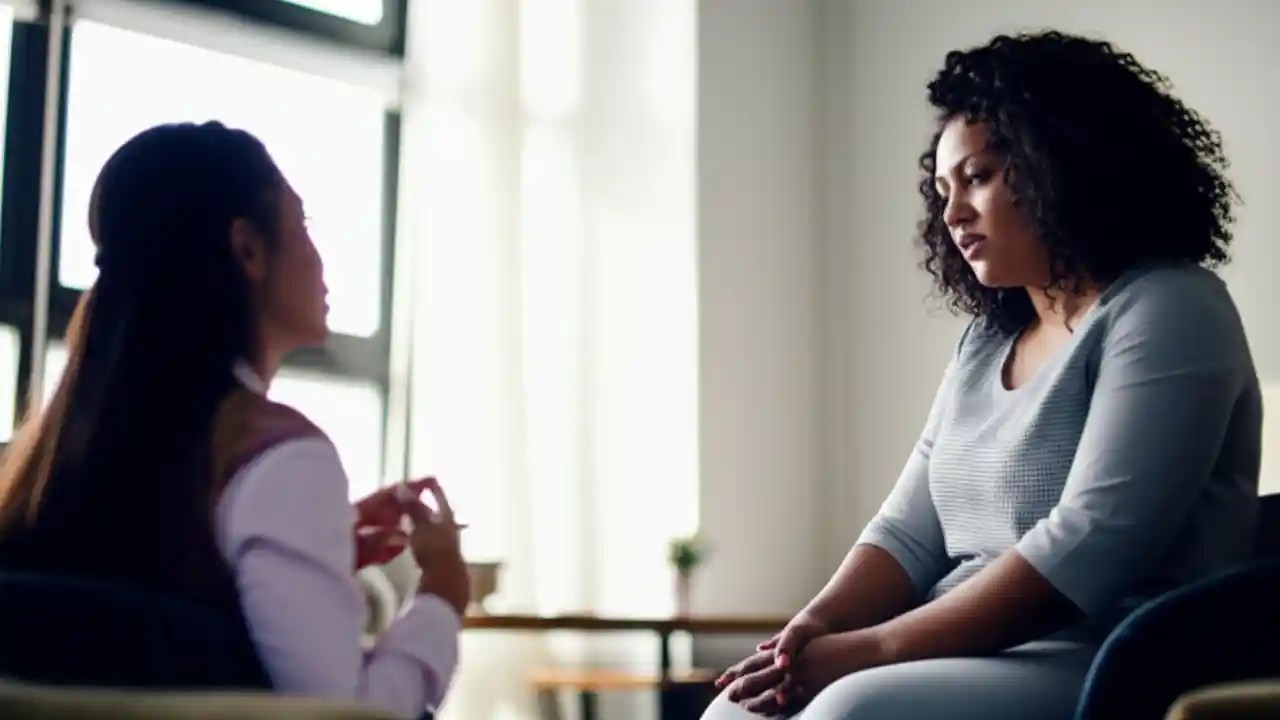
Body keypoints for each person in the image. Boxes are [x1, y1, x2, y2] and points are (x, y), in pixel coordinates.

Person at [704, 30, 1261, 719]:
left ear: (1062, 161)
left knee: (849, 711)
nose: (952, 212)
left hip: (1107, 657)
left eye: (978, 177)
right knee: (738, 710)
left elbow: (1090, 543)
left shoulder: (1171, 307)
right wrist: (809, 632)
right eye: (942, 189)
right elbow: (908, 533)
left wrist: (869, 650)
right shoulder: (986, 341)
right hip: (964, 654)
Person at [0, 122, 469, 719]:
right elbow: (349, 715)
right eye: (303, 226)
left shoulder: (57, 454)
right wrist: (442, 599)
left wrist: (318, 545)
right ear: (248, 249)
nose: (320, 257)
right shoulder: (281, 457)